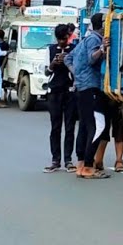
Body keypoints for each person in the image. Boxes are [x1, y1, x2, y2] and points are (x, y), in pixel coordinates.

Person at [71, 12, 109, 179]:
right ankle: (88, 166)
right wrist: (102, 49)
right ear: (102, 25)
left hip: (81, 87)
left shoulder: (84, 39)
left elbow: (68, 59)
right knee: (97, 126)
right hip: (91, 87)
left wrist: (77, 75)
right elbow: (91, 59)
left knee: (85, 128)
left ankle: (80, 164)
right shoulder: (94, 39)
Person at [44, 23, 78, 172]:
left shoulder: (74, 50)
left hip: (70, 91)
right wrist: (53, 63)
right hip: (54, 91)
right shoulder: (50, 49)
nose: (61, 43)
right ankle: (55, 160)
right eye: (59, 40)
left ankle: (68, 160)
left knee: (70, 126)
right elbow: (46, 72)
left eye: (64, 39)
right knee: (55, 127)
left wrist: (67, 61)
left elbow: (78, 71)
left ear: (68, 37)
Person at [94, 95, 123, 173]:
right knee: (103, 128)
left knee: (121, 127)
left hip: (121, 95)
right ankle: (98, 160)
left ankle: (119, 160)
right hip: (103, 94)